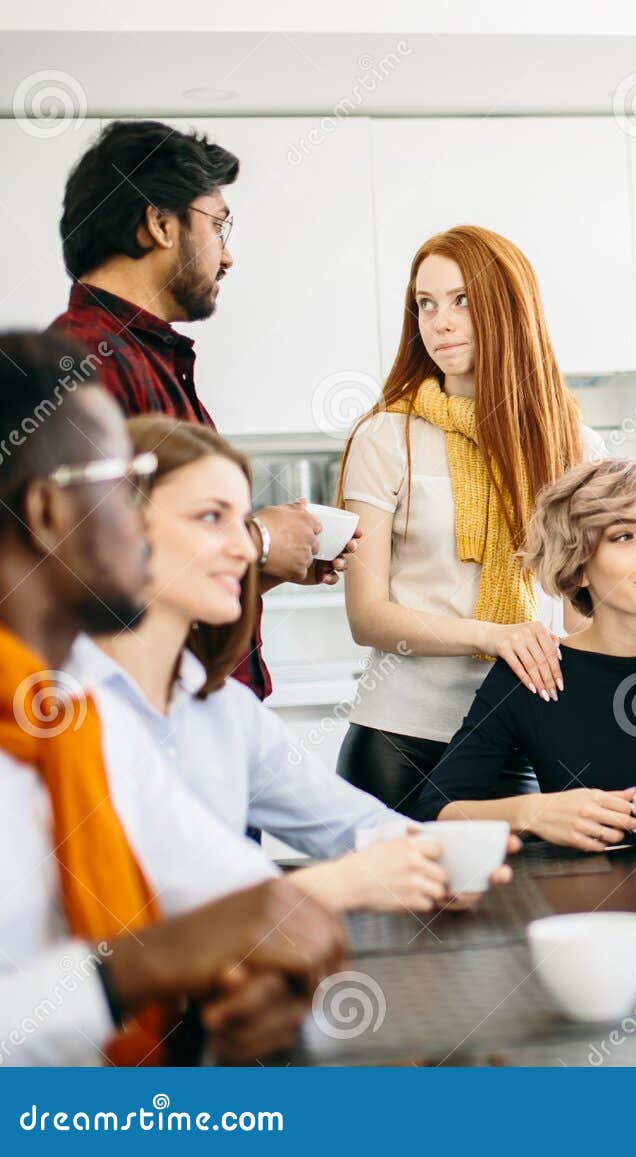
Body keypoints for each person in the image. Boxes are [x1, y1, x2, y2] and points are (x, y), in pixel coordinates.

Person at [0, 331, 344, 1066]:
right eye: (126, 486)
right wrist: (125, 973)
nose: (144, 525)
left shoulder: (78, 724)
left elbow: (248, 901)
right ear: (50, 512)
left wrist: (262, 978)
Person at [338, 225, 636, 811]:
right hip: (401, 740)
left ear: (507, 310)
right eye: (425, 304)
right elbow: (367, 616)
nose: (439, 323)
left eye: (461, 301)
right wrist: (496, 638)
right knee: (403, 905)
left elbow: (596, 591)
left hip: (528, 729)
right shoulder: (385, 438)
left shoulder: (573, 444)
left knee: (534, 900)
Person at [72, 415, 514, 912]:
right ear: (115, 528)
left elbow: (350, 825)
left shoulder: (225, 712)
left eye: (243, 521)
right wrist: (329, 887)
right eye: (211, 518)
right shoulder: (57, 706)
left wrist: (450, 852)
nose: (245, 547)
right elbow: (146, 911)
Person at [48, 119, 355, 700]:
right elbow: (98, 566)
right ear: (160, 224)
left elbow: (164, 571)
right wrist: (257, 539)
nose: (229, 255)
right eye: (219, 225)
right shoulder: (89, 361)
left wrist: (259, 565)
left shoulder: (149, 359)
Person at [407, 458, 636, 850]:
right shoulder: (535, 671)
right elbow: (434, 812)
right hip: (584, 902)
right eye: (623, 536)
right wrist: (535, 813)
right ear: (577, 567)